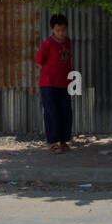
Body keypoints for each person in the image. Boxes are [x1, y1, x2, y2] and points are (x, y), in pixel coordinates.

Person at [35, 13, 73, 153]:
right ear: (52, 29)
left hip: (65, 83)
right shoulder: (47, 44)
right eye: (58, 30)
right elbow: (38, 62)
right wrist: (50, 74)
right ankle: (52, 143)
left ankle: (63, 141)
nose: (61, 33)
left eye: (63, 30)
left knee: (66, 113)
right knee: (52, 113)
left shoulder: (68, 42)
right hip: (48, 84)